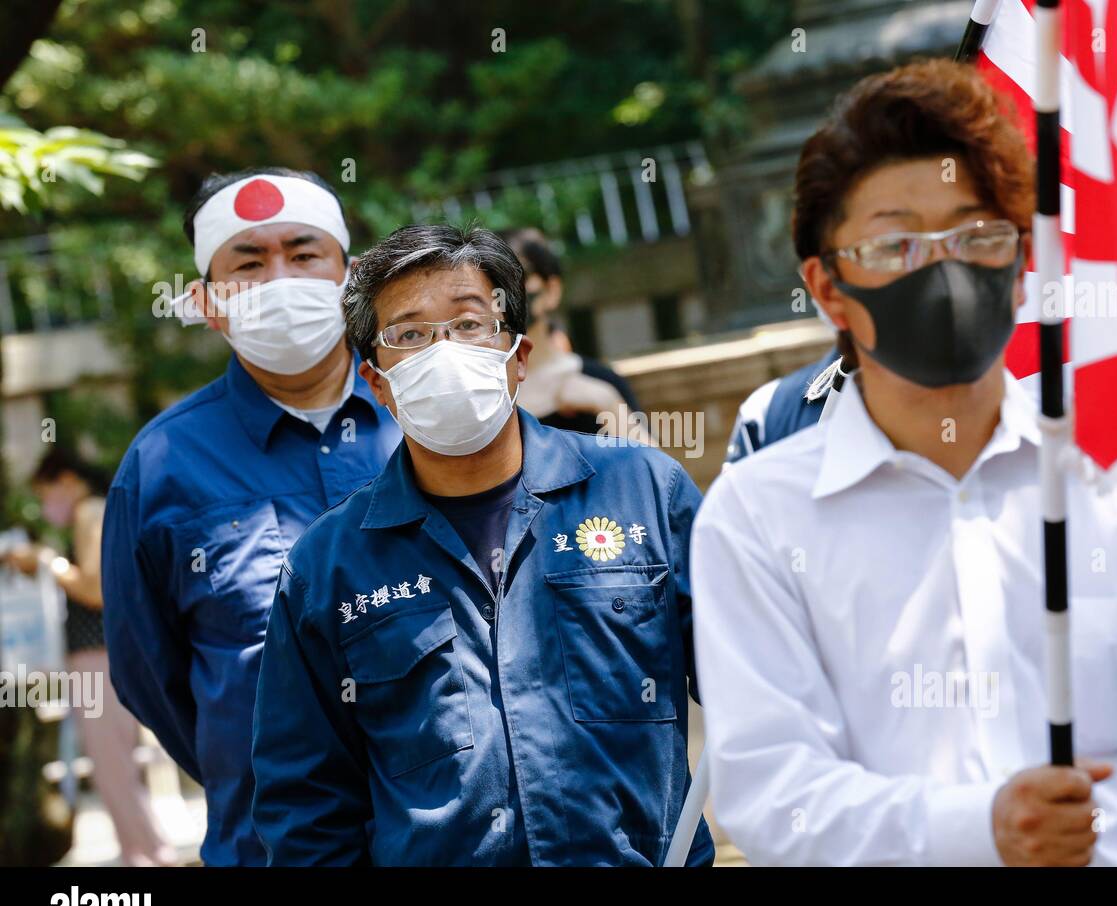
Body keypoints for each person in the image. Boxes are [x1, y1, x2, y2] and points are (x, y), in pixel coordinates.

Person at [691, 59, 1117, 866]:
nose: (943, 268)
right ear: (828, 287)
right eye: (895, 244)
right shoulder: (758, 518)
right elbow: (774, 794)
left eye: (975, 235)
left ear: (1024, 265)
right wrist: (978, 827)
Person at [251, 224, 712, 866]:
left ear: (518, 356)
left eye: (470, 324)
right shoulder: (327, 567)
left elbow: (754, 686)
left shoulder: (643, 493)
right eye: (409, 335)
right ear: (378, 383)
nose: (443, 351)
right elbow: (306, 808)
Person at [101, 167, 402, 865]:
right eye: (249, 261)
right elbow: (152, 676)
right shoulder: (160, 466)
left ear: (352, 280)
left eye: (303, 255)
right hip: (270, 848)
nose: (280, 281)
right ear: (208, 303)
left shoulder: (432, 419)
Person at [5, 446, 176, 866]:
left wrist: (48, 563)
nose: (45, 506)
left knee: (111, 764)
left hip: (99, 657)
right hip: (105, 655)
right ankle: (141, 850)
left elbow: (95, 589)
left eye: (45, 494)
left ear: (65, 481)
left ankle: (148, 854)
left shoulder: (89, 512)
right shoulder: (98, 509)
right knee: (113, 764)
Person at [500, 227, 645, 436]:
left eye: (519, 274)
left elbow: (656, 466)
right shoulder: (475, 395)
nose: (507, 289)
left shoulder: (600, 382)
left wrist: (608, 405)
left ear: (551, 289)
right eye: (495, 279)